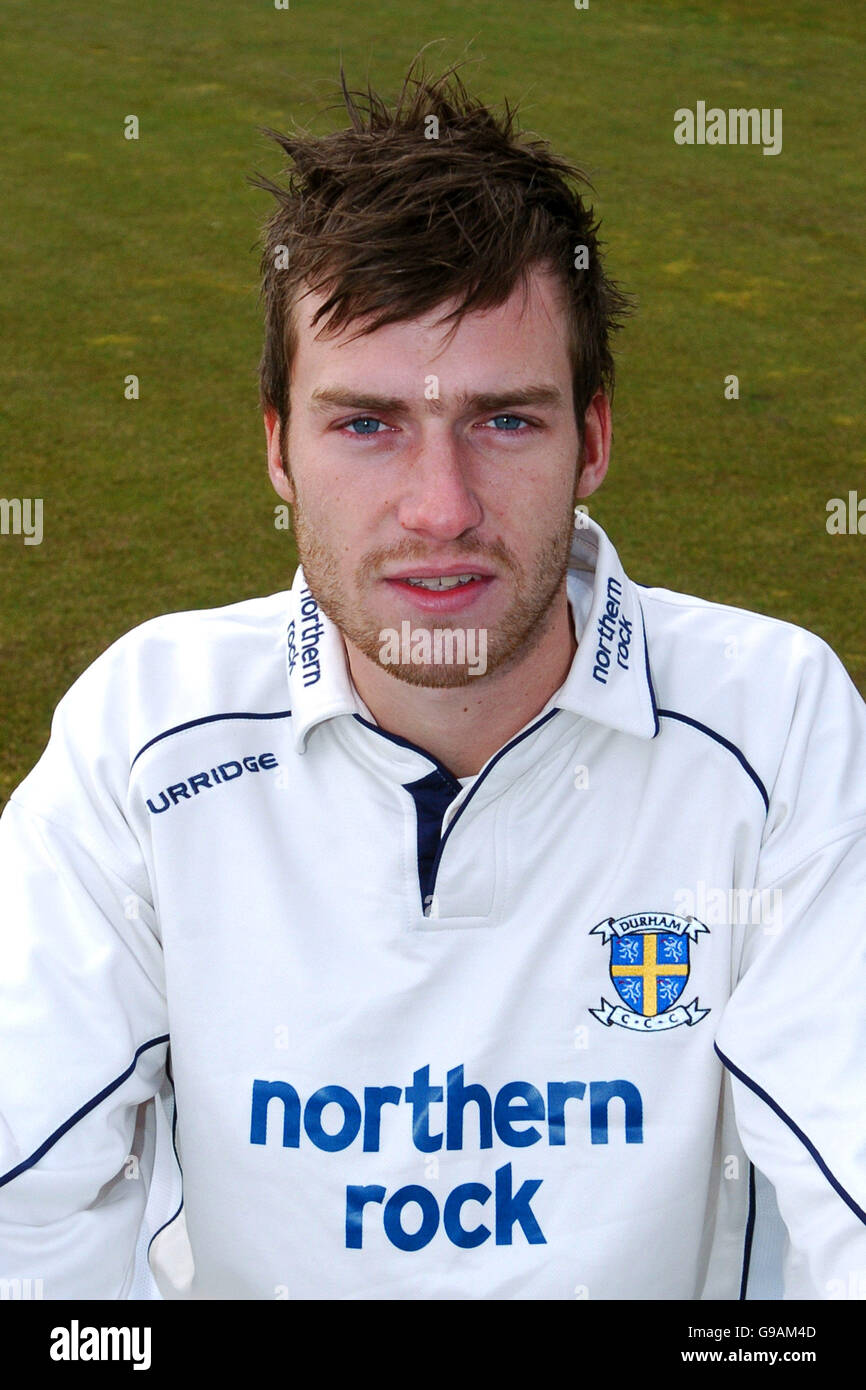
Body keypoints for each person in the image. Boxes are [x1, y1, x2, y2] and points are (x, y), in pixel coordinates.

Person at [1, 59, 864, 1302]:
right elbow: (25, 1197)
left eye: (503, 421)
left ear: (594, 437)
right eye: (365, 424)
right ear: (276, 447)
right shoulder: (145, 736)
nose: (440, 509)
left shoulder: (772, 725)